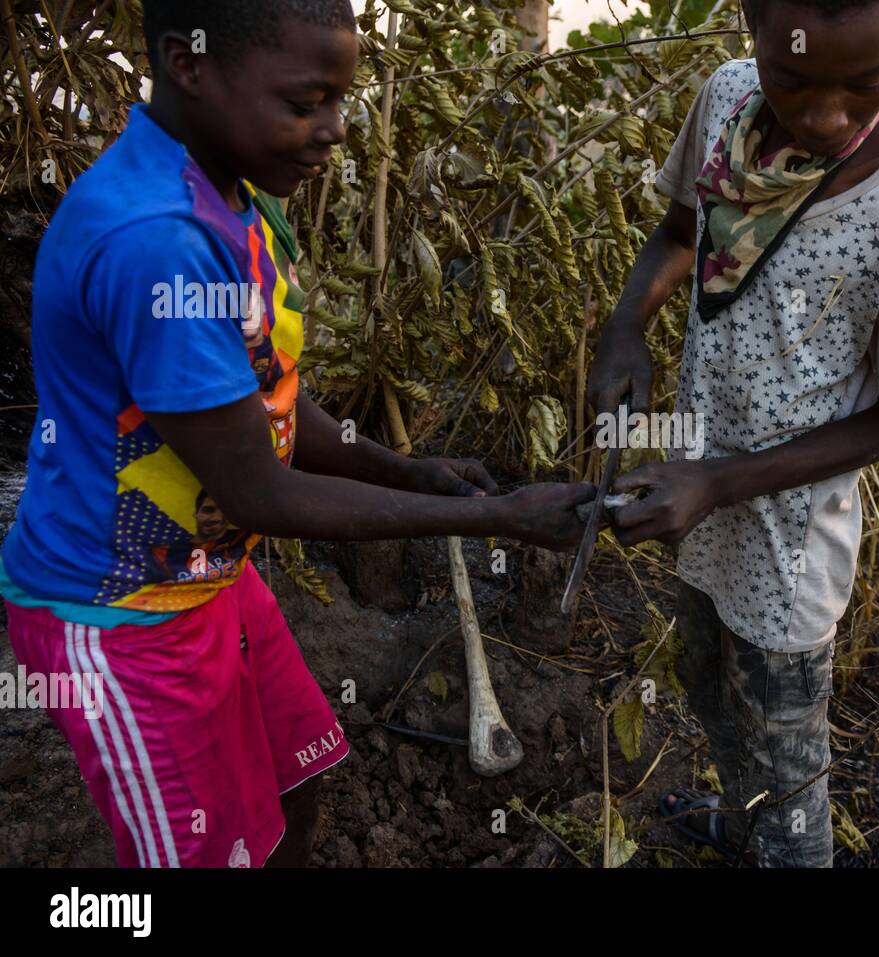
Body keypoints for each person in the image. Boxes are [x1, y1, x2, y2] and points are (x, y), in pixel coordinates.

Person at [0, 0, 593, 868]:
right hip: (122, 620)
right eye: (306, 102)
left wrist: (407, 469)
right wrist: (495, 519)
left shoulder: (225, 194)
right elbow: (260, 491)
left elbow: (266, 399)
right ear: (189, 63)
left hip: (207, 577)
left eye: (341, 102)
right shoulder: (156, 242)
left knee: (295, 774)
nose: (335, 131)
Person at [586, 0, 879, 866]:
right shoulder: (726, 102)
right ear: (752, 23)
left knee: (791, 779)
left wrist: (718, 481)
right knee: (708, 688)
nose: (827, 115)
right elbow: (684, 231)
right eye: (793, 79)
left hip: (788, 554)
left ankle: (776, 840)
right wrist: (627, 326)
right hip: (703, 507)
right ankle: (742, 825)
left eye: (868, 82)